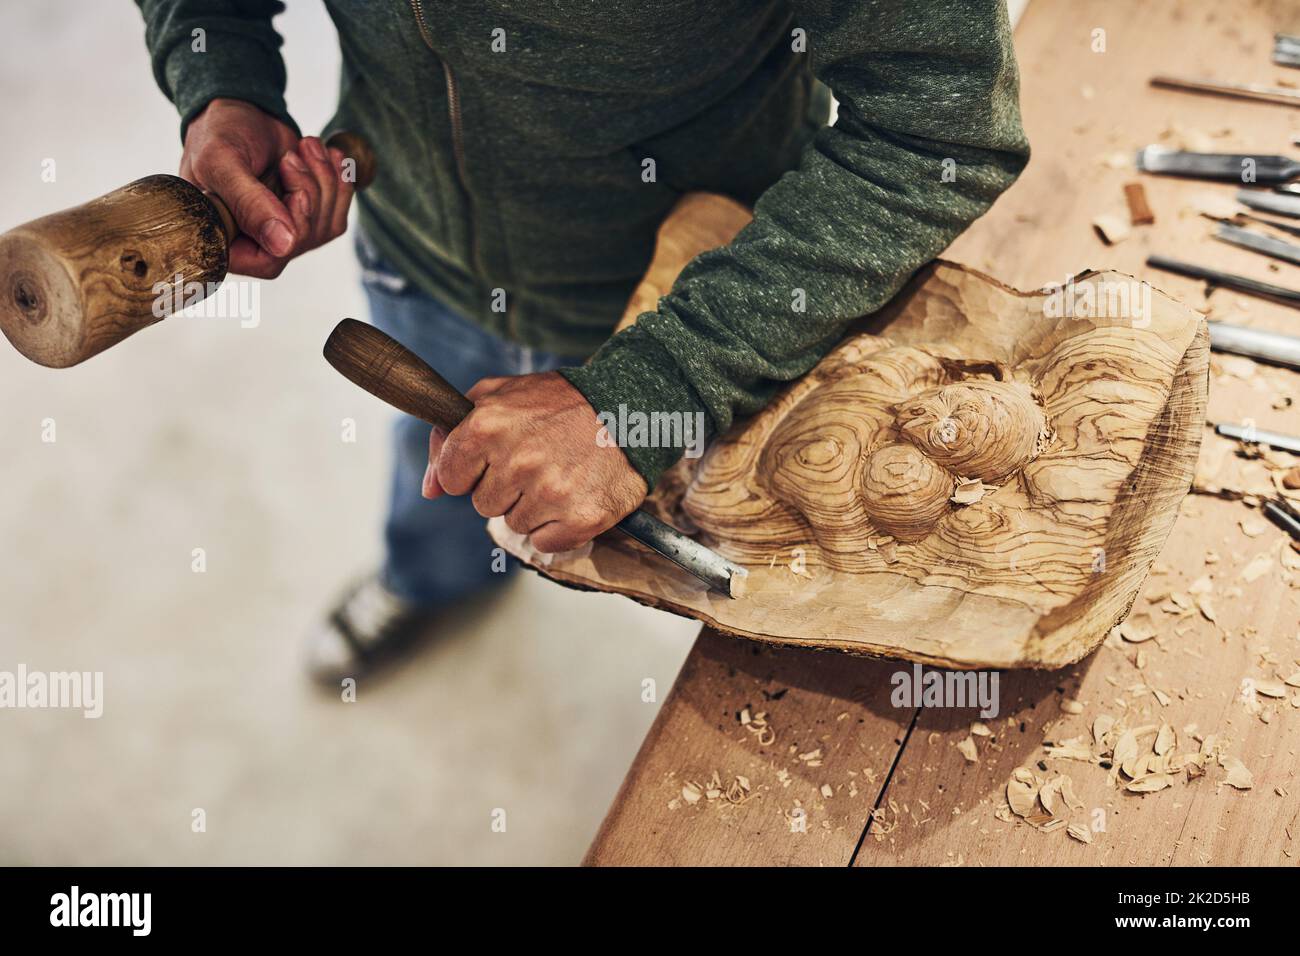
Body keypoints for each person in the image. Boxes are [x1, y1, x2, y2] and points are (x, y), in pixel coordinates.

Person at [135, 1, 1030, 682]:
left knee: (726, 556)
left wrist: (663, 384)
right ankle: (432, 580)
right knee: (441, 463)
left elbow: (936, 129)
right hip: (419, 245)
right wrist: (218, 76)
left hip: (705, 287)